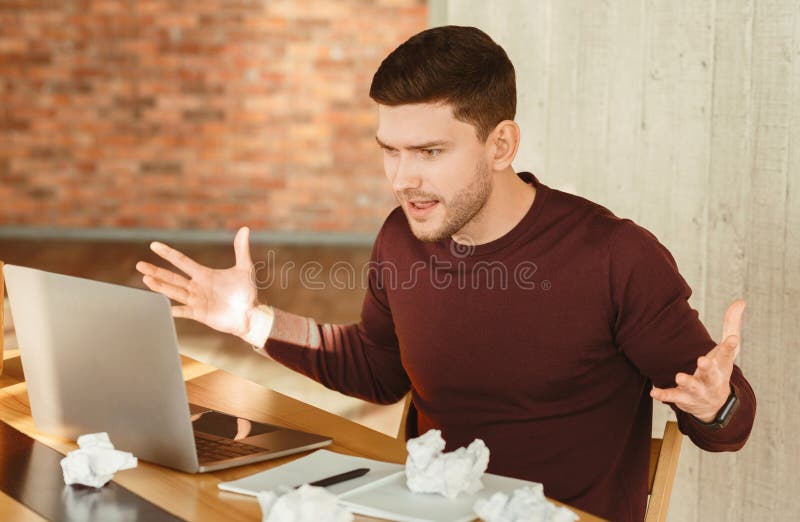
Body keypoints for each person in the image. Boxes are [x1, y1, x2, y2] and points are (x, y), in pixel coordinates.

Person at [136, 26, 755, 522]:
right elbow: (379, 369)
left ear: (502, 145)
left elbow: (730, 423)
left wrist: (715, 403)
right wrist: (250, 321)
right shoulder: (402, 238)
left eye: (430, 152)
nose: (404, 178)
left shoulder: (615, 256)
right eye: (390, 151)